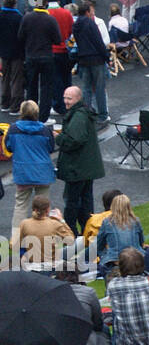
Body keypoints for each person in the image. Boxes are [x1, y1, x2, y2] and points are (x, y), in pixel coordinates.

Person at [5, 98, 56, 242]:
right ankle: (42, 237)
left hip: (23, 172)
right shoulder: (45, 130)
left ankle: (15, 240)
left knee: (21, 205)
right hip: (43, 173)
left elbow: (8, 147)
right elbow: (51, 148)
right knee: (43, 206)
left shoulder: (14, 128)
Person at [56, 84, 104, 236]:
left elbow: (74, 140)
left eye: (69, 98)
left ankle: (71, 233)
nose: (66, 101)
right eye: (64, 98)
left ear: (78, 99)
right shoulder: (82, 113)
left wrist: (59, 137)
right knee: (86, 201)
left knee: (72, 203)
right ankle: (87, 231)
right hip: (86, 167)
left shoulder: (79, 116)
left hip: (77, 168)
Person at [96, 191, 143, 281]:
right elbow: (141, 242)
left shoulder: (107, 222)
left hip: (115, 262)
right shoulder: (136, 221)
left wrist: (105, 255)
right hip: (136, 261)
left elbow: (99, 244)